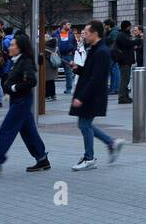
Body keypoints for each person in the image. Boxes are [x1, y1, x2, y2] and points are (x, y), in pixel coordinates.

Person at [0, 33, 50, 176]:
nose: (9, 47)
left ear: (20, 47)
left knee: (6, 130)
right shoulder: (17, 60)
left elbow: (31, 82)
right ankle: (42, 158)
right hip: (18, 101)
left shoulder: (25, 61)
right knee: (28, 132)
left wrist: (13, 88)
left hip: (21, 101)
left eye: (12, 45)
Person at [69, 20, 125, 171]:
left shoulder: (101, 51)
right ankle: (110, 144)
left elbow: (96, 78)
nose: (84, 36)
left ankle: (90, 157)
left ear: (95, 34)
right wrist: (77, 68)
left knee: (84, 124)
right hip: (91, 94)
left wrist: (81, 97)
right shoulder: (96, 49)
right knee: (84, 124)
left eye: (86, 33)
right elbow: (90, 72)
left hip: (92, 95)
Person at [113, 22, 135, 103]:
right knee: (125, 79)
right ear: (127, 27)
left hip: (126, 60)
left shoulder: (123, 34)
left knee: (126, 78)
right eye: (130, 26)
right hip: (124, 60)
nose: (131, 28)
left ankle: (125, 96)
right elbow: (128, 43)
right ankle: (122, 97)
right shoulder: (122, 35)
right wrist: (137, 41)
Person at [54, 21, 77, 95]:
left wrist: (72, 51)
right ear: (63, 25)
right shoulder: (55, 34)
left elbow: (75, 44)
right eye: (68, 24)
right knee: (53, 72)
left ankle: (68, 89)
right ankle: (51, 91)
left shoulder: (71, 34)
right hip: (58, 55)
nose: (70, 26)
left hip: (68, 55)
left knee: (68, 73)